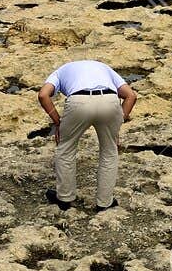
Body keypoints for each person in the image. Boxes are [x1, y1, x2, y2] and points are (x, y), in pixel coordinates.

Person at [39, 58, 139, 212]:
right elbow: (131, 96)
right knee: (109, 152)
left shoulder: (60, 72)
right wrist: (117, 124)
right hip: (110, 100)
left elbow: (43, 95)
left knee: (66, 150)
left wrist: (58, 123)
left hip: (79, 102)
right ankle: (105, 203)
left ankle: (65, 199)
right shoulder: (106, 69)